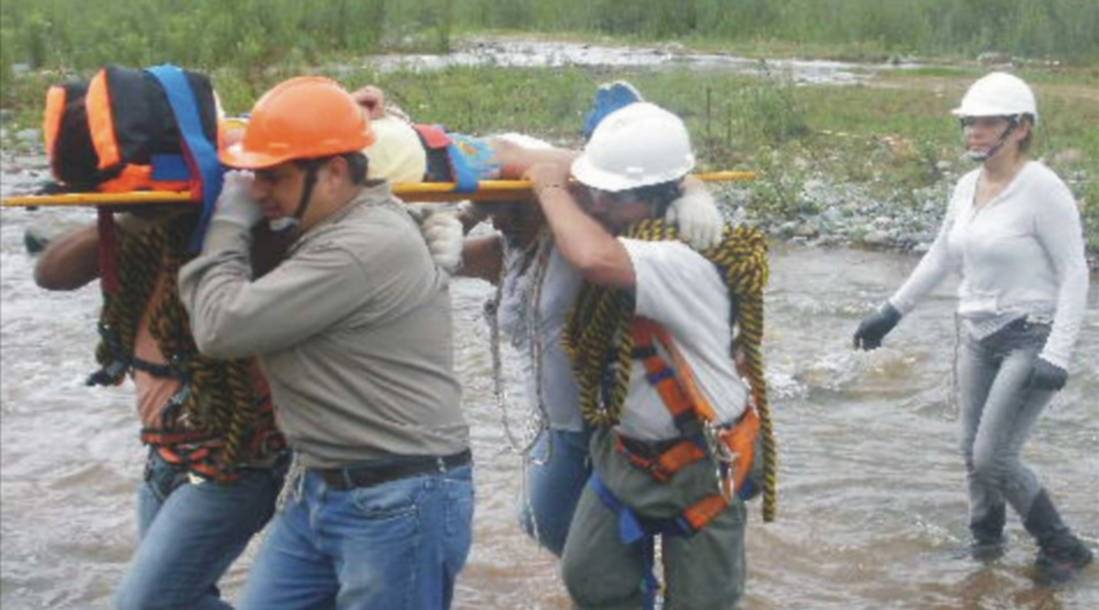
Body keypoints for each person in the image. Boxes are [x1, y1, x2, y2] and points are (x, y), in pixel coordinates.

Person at [177, 76, 473, 610]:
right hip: (324, 483)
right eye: (254, 175)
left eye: (274, 176)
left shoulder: (360, 245)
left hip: (397, 495)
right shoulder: (333, 225)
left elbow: (220, 328)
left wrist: (226, 223)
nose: (258, 190)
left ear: (335, 171)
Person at [519, 101, 773, 610]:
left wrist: (549, 188)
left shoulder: (682, 257)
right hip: (627, 452)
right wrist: (694, 184)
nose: (595, 205)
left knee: (702, 603)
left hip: (700, 461)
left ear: (654, 199)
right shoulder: (637, 224)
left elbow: (593, 259)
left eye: (609, 197)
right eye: (591, 193)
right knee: (589, 577)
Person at [852, 72, 1092, 584]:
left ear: (1020, 128)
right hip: (978, 335)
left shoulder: (1043, 189)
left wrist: (1059, 352)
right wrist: (892, 311)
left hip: (1032, 334)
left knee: (994, 456)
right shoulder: (967, 186)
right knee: (971, 452)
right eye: (968, 123)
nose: (973, 132)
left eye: (986, 123)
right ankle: (986, 544)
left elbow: (1075, 272)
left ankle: (1064, 547)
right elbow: (942, 254)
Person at [34, 202, 289, 610]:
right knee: (182, 598)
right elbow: (51, 273)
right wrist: (136, 216)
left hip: (234, 463)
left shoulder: (260, 237)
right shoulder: (140, 239)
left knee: (146, 604)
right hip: (164, 458)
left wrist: (228, 213)